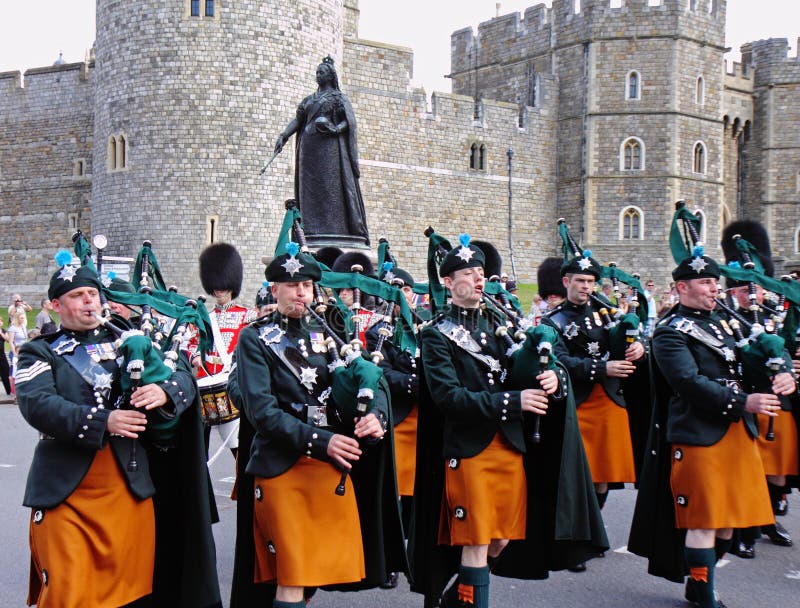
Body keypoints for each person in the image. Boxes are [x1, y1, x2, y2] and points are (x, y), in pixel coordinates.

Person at [14, 257, 221, 608]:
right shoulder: (38, 351)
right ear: (55, 305)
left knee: (130, 596)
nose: (89, 301)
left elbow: (184, 375)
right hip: (66, 492)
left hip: (128, 489)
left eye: (93, 294)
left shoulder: (131, 340)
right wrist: (104, 421)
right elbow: (37, 405)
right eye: (78, 295)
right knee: (67, 594)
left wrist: (166, 391)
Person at [229, 243, 406, 608]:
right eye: (291, 285)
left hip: (327, 469)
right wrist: (322, 442)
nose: (300, 292)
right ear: (274, 289)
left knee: (308, 577)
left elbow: (371, 381)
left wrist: (377, 415)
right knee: (293, 574)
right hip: (282, 466)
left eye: (307, 285)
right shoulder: (254, 338)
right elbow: (262, 413)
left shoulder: (331, 333)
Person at [631, 245, 791, 608]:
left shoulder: (724, 323)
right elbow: (687, 382)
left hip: (737, 432)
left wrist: (780, 372)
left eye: (714, 282)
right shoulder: (670, 332)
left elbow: (753, 360)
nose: (714, 289)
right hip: (698, 434)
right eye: (705, 282)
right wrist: (743, 402)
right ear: (682, 288)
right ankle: (704, 595)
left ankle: (698, 580)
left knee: (727, 524)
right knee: (704, 521)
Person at [414, 234, 558, 608]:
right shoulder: (435, 335)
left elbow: (521, 371)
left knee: (499, 539)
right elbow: (449, 398)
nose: (478, 279)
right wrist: (513, 401)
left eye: (480, 272)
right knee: (476, 541)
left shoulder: (501, 324)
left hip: (508, 444)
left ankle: (457, 595)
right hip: (469, 446)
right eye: (467, 273)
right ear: (448, 282)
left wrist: (551, 376)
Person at [541, 247, 646, 569]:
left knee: (602, 478)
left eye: (590, 281)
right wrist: (601, 369)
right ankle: (577, 540)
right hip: (578, 403)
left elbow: (625, 346)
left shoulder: (608, 314)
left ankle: (591, 529)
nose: (585, 286)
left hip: (609, 403)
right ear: (566, 281)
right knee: (578, 475)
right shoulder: (552, 322)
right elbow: (561, 362)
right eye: (580, 280)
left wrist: (639, 347)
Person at [273, 56, 370, 247]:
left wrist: (335, 129)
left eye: (322, 72)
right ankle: (309, 228)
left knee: (329, 188)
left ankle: (333, 227)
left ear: (330, 75)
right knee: (309, 190)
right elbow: (298, 120)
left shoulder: (338, 98)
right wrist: (284, 135)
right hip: (308, 150)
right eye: (317, 72)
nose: (318, 75)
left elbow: (349, 122)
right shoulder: (309, 100)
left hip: (330, 151)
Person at [186, 242, 255, 459]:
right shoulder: (204, 317)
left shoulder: (247, 316)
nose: (219, 290)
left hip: (231, 383)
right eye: (216, 286)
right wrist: (194, 356)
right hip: (205, 383)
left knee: (238, 446)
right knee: (198, 448)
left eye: (223, 286)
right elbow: (190, 343)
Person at [0, 316, 11, 395]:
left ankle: (9, 391)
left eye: (1, 321)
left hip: (2, 355)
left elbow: (8, 340)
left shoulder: (3, 331)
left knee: (6, 373)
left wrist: (0, 333)